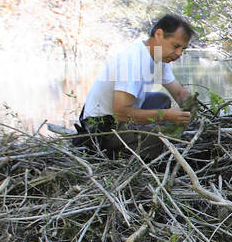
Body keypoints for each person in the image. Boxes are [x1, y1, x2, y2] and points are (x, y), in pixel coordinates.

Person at [76, 14, 197, 159]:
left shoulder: (158, 58)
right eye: (176, 46)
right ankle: (119, 151)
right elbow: (120, 112)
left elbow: (178, 92)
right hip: (101, 129)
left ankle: (140, 137)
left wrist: (192, 106)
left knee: (161, 99)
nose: (179, 54)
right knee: (162, 140)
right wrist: (167, 115)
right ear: (159, 34)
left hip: (121, 119)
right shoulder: (133, 61)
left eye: (183, 49)